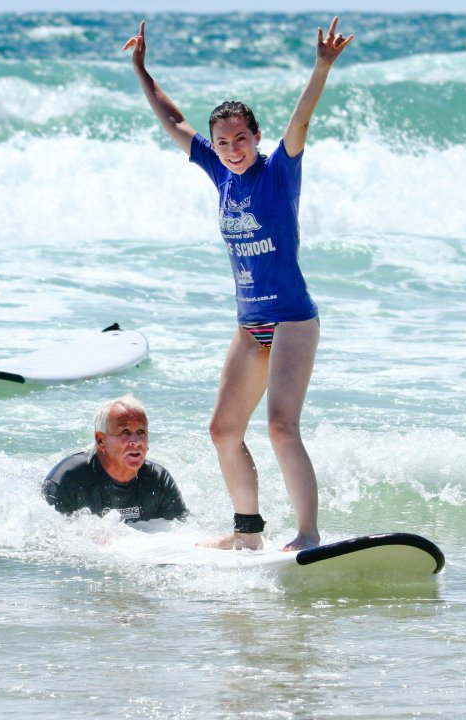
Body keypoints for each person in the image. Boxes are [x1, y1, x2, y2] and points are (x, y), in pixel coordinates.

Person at [124, 18, 352, 551]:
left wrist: (321, 67)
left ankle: (308, 534)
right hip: (250, 325)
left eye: (241, 139)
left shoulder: (279, 170)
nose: (231, 149)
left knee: (280, 427)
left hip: (292, 317)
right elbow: (174, 119)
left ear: (255, 137)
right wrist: (140, 69)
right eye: (223, 141)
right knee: (223, 430)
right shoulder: (218, 170)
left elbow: (301, 119)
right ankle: (248, 534)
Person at [42, 395, 189, 523]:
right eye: (125, 432)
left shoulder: (158, 480)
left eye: (141, 432)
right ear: (100, 440)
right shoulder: (67, 479)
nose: (136, 441)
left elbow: (180, 532)